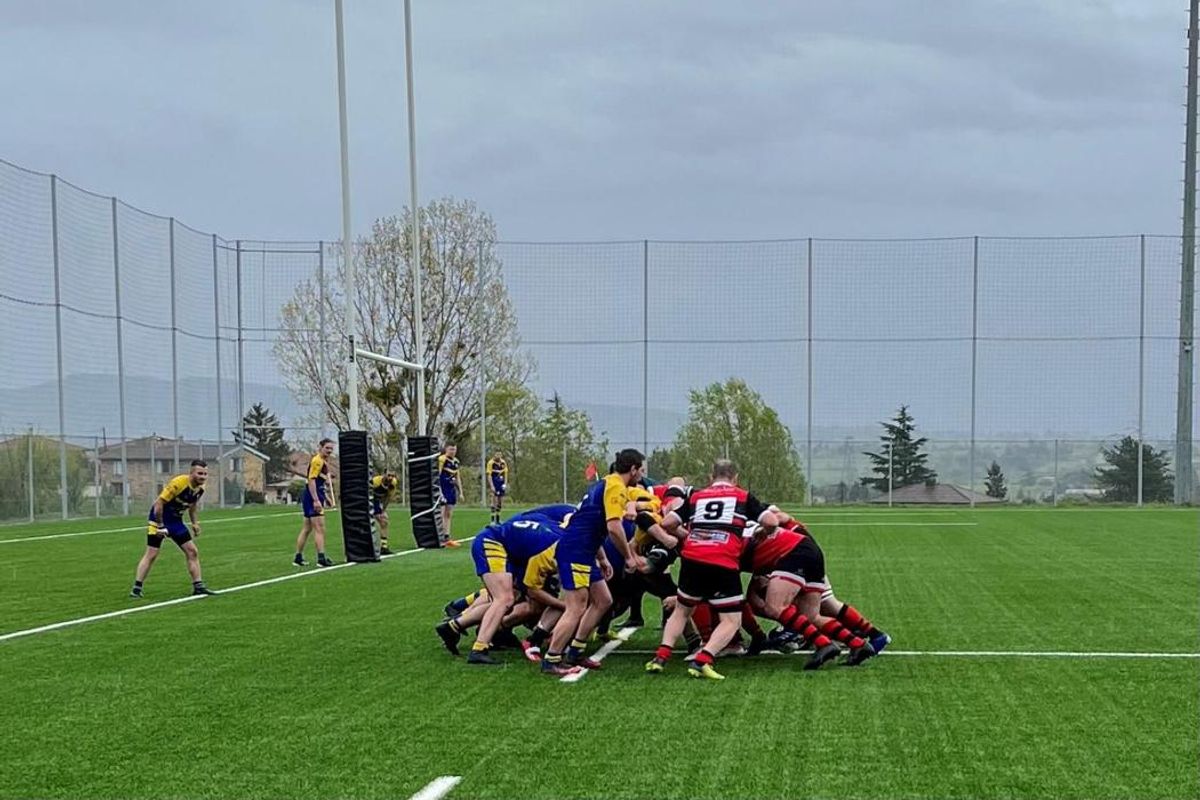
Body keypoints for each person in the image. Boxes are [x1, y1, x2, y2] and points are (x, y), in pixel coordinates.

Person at [646, 459, 777, 680]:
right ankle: (703, 660)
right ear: (735, 478)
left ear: (710, 477)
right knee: (731, 620)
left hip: (692, 558)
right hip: (722, 559)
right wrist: (764, 532)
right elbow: (772, 520)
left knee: (681, 610)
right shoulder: (742, 496)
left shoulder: (696, 497)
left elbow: (667, 523)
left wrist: (688, 536)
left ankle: (661, 657)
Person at [540, 449, 646, 676]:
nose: (642, 475)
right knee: (576, 607)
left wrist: (602, 558)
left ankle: (576, 651)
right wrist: (628, 557)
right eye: (641, 470)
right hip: (575, 551)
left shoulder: (606, 483)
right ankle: (552, 659)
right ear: (634, 469)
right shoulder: (616, 487)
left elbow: (590, 524)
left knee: (603, 600)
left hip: (585, 550)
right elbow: (613, 527)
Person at [436, 516, 562, 664]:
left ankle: (454, 626)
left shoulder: (559, 536)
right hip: (494, 543)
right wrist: (563, 606)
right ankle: (479, 649)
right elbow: (533, 591)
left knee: (513, 597)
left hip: (511, 550)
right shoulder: (551, 550)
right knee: (504, 599)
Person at [130, 460, 216, 598]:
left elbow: (193, 505)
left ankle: (198, 586)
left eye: (205, 474)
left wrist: (195, 523)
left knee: (192, 551)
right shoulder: (178, 483)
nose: (203, 477)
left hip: (176, 522)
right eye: (200, 473)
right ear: (191, 473)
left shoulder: (201, 488)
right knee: (152, 554)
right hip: (158, 520)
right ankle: (136, 589)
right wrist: (160, 526)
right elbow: (158, 504)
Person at [295, 438, 336, 568]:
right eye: (327, 448)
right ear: (320, 447)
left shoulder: (323, 461)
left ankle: (298, 557)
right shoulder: (317, 461)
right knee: (319, 528)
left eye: (331, 448)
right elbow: (311, 481)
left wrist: (327, 497)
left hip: (313, 495)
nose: (329, 451)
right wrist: (316, 500)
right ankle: (321, 558)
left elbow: (319, 483)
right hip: (312, 496)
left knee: (307, 528)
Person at [437, 444, 463, 548]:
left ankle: (447, 537)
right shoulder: (442, 459)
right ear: (446, 449)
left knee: (449, 513)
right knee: (441, 513)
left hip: (451, 489)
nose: (453, 451)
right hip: (443, 488)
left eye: (455, 449)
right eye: (451, 449)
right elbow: (437, 476)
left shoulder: (456, 461)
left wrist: (461, 491)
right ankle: (440, 537)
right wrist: (439, 491)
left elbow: (457, 477)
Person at [370, 472, 399, 554]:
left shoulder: (392, 484)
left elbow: (388, 497)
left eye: (392, 476)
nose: (390, 477)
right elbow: (367, 492)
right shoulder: (376, 481)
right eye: (389, 475)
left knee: (384, 521)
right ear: (384, 474)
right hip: (371, 500)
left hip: (378, 501)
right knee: (382, 520)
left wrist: (383, 510)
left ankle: (384, 546)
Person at [486, 451, 509, 525]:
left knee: (500, 502)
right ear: (494, 455)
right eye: (497, 454)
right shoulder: (491, 463)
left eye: (500, 454)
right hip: (494, 483)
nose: (498, 456)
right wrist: (492, 486)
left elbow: (505, 473)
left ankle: (498, 519)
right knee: (494, 501)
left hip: (501, 483)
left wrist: (505, 483)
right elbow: (489, 475)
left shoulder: (503, 463)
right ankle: (492, 520)